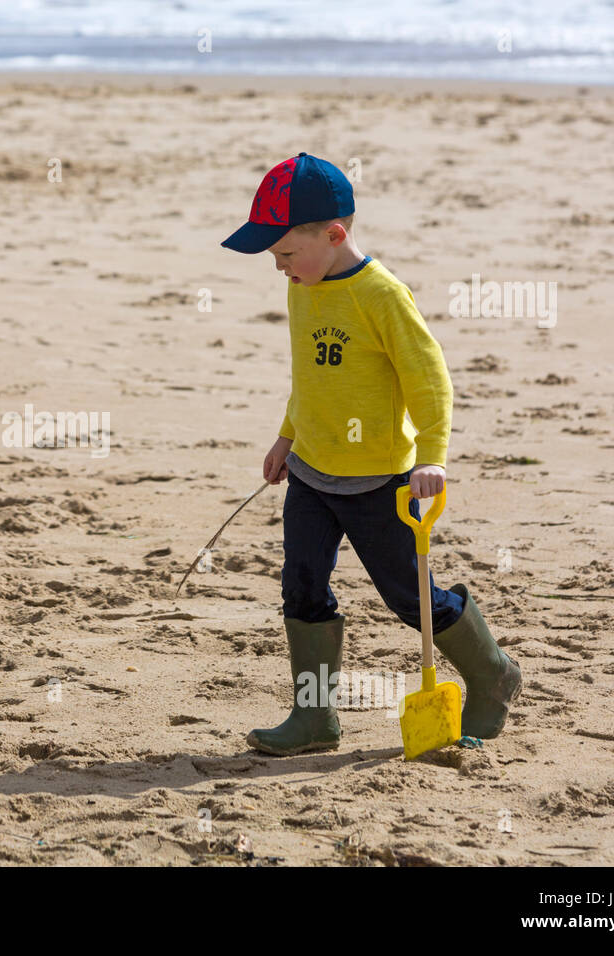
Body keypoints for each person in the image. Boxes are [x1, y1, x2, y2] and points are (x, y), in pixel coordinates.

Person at [219, 153, 522, 756]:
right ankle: (313, 717)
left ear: (334, 235)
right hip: (310, 474)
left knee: (412, 600)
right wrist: (287, 435)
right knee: (301, 589)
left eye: (284, 253)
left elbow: (428, 379)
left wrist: (431, 457)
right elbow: (311, 376)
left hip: (380, 482)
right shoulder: (306, 285)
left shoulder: (381, 296)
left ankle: (491, 673)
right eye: (273, 258)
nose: (279, 269)